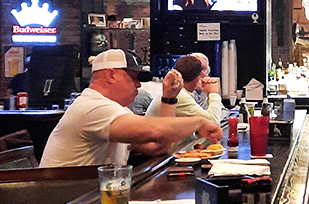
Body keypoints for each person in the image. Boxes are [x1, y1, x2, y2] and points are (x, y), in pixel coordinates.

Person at [40, 49, 222, 168]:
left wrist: (168, 98)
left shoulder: (117, 111)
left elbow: (160, 146)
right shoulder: (91, 106)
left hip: (89, 199)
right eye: (132, 77)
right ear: (111, 75)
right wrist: (200, 122)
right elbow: (156, 131)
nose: (137, 85)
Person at [145, 55, 228, 127]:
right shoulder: (179, 95)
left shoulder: (180, 92)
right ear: (199, 78)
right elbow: (212, 124)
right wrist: (214, 93)